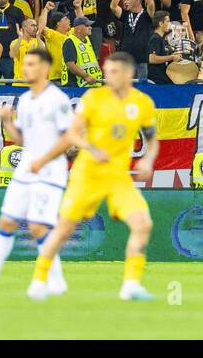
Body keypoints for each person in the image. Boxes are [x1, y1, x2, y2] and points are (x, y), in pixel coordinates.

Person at [26, 51, 158, 301]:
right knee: (64, 230)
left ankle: (131, 285)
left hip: (118, 177)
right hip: (87, 174)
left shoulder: (142, 103)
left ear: (129, 74)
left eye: (114, 72)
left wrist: (148, 159)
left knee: (143, 223)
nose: (108, 75)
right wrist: (90, 147)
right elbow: (73, 134)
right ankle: (39, 280)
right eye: (106, 71)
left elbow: (151, 139)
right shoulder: (93, 98)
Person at [0, 47, 74, 294]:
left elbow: (67, 139)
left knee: (38, 228)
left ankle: (56, 280)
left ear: (45, 68)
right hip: (26, 169)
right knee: (7, 221)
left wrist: (42, 160)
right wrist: (7, 122)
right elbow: (21, 139)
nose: (26, 68)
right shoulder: (25, 100)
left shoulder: (57, 100)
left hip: (49, 171)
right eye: (25, 64)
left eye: (32, 64)